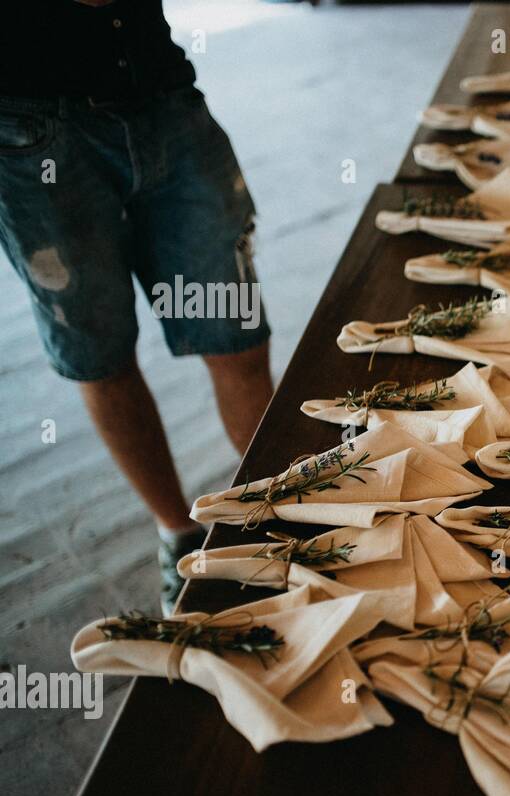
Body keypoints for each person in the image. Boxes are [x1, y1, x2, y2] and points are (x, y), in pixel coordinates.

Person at [0, 1, 273, 612]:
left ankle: (291, 515)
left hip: (163, 94)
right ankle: (176, 532)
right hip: (27, 126)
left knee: (236, 336)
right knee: (100, 354)